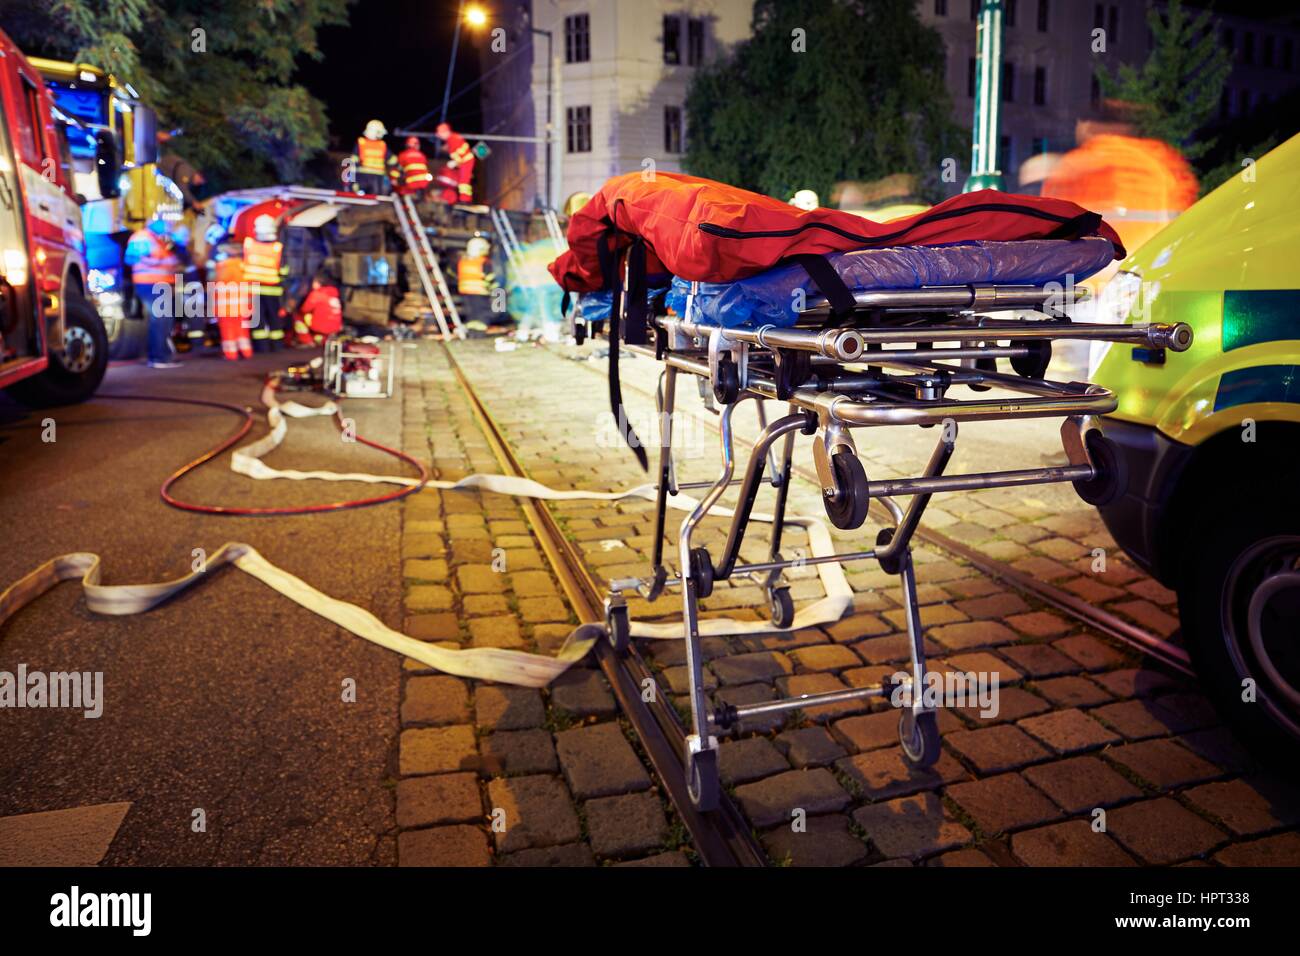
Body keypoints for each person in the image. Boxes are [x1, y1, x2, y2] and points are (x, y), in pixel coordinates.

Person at [124, 218, 182, 368]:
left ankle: (163, 356)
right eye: (166, 224)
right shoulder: (142, 237)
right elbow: (132, 259)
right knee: (160, 320)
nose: (168, 228)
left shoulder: (157, 239)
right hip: (149, 283)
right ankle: (158, 358)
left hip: (161, 284)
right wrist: (159, 261)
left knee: (164, 321)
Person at [242, 214, 287, 351]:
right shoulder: (277, 248)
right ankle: (277, 346)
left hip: (253, 289)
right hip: (273, 289)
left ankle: (261, 347)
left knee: (258, 319)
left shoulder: (249, 244)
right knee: (274, 318)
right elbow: (284, 270)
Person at [210, 241, 252, 360]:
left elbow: (214, 284)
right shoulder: (244, 266)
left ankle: (231, 354)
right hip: (242, 306)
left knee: (228, 331)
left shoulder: (222, 267)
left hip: (225, 307)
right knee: (242, 330)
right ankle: (246, 351)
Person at [457, 235, 498, 332]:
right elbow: (490, 278)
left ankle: (472, 332)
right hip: (480, 293)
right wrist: (497, 291)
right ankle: (479, 332)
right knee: (481, 314)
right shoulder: (483, 262)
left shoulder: (463, 261)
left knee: (471, 314)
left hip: (465, 293)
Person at [293, 274, 343, 346]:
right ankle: (322, 339)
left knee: (298, 317)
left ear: (318, 283)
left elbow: (304, 309)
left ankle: (307, 341)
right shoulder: (334, 293)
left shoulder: (317, 294)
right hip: (335, 327)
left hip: (321, 326)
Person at [349, 119, 395, 195]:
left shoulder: (361, 143)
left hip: (363, 177)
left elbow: (353, 162)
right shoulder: (382, 145)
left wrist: (352, 181)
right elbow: (392, 161)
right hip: (374, 177)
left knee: (363, 197)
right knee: (375, 198)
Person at [435, 122, 475, 203]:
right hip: (465, 161)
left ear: (445, 132)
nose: (440, 137)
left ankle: (465, 200)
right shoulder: (452, 139)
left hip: (466, 161)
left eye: (440, 134)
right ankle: (465, 199)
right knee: (463, 181)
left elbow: (460, 154)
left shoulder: (453, 139)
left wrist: (455, 163)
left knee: (464, 182)